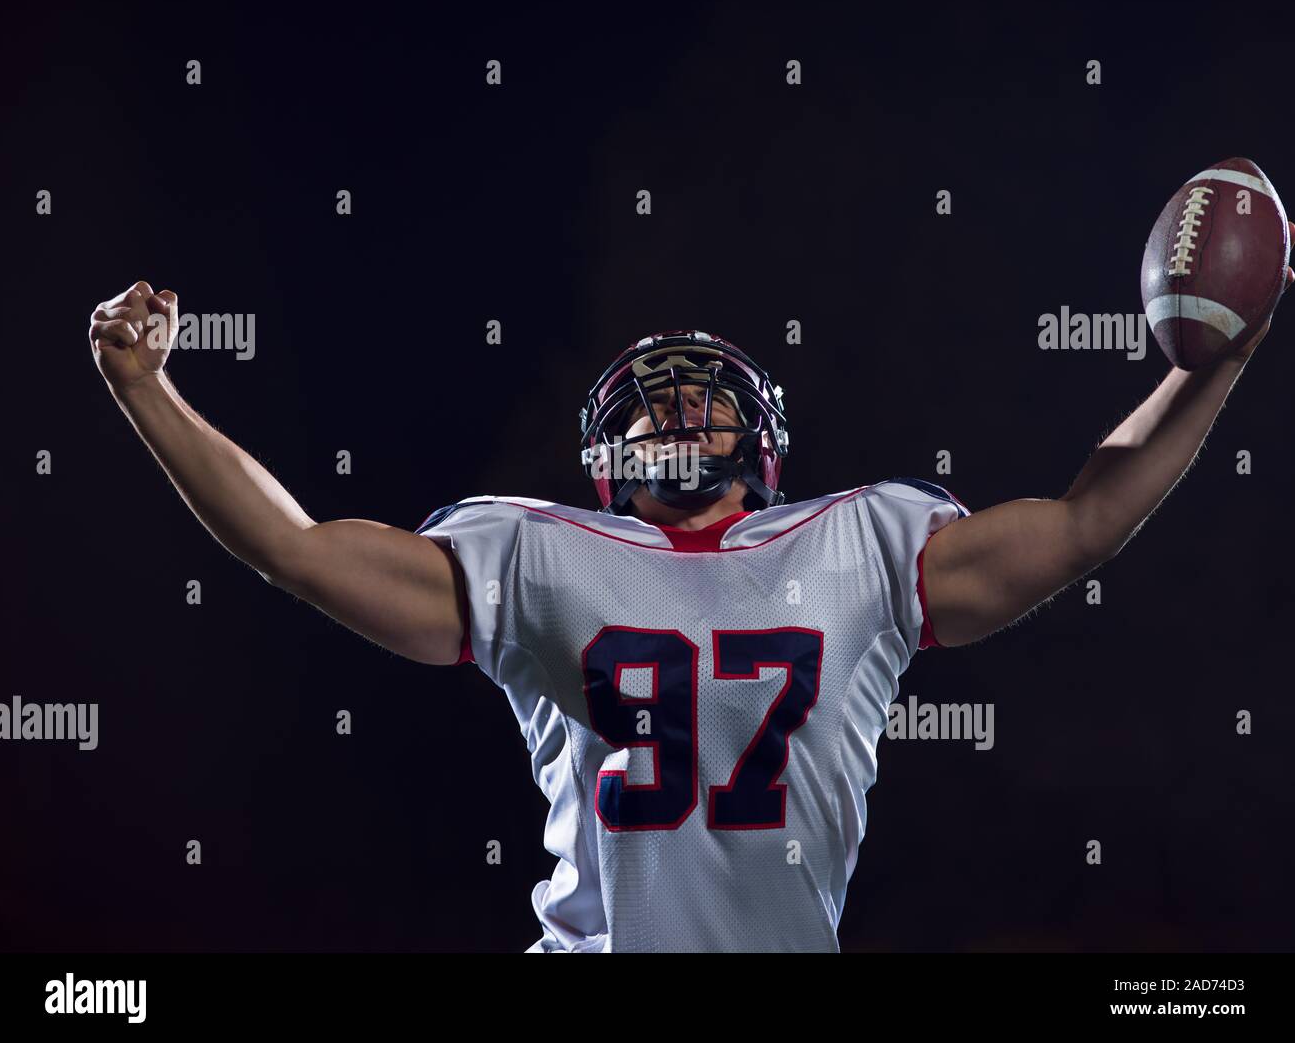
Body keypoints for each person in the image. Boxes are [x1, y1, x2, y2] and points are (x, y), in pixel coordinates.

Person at [89, 268, 1291, 952]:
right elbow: (294, 550)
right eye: (652, 410)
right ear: (606, 452)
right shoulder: (537, 550)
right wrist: (149, 393)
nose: (677, 423)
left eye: (702, 406)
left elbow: (1081, 524)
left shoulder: (864, 539)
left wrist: (1214, 356)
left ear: (757, 437)